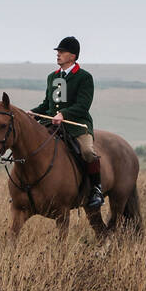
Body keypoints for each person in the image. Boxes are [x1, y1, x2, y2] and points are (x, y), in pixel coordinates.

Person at [31, 36, 101, 209]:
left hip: (77, 126)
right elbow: (47, 104)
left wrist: (63, 114)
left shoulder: (84, 77)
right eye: (58, 52)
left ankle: (95, 189)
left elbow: (83, 106)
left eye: (62, 52)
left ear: (73, 56)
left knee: (87, 152)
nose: (58, 54)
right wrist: (33, 114)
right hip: (53, 125)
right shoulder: (52, 77)